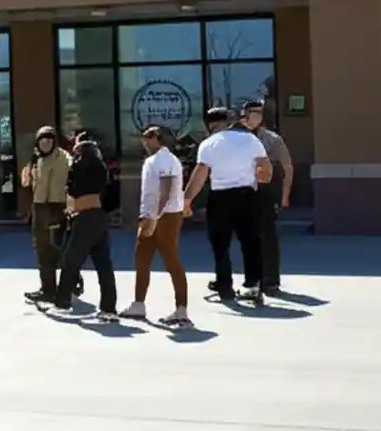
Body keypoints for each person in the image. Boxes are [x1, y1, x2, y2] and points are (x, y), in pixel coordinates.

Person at [183, 108, 272, 301]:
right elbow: (266, 169)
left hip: (221, 197)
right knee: (251, 241)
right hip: (247, 195)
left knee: (220, 244)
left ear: (212, 125)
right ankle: (252, 285)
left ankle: (224, 285)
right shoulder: (250, 140)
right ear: (230, 121)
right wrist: (258, 180)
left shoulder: (208, 144)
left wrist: (187, 200)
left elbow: (200, 175)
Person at [121, 126, 191, 326]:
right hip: (149, 216)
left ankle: (181, 309)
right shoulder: (151, 160)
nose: (144, 142)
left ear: (158, 139)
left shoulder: (166, 160)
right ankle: (138, 304)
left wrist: (155, 218)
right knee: (141, 257)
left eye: (148, 138)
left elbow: (167, 190)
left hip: (166, 216)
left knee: (171, 260)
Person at [52, 130, 118, 320]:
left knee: (70, 260)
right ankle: (108, 308)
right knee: (104, 264)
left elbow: (72, 189)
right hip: (99, 216)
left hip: (84, 216)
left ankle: (63, 302)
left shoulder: (79, 164)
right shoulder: (101, 165)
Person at [239, 100, 294, 293]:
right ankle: (252, 279)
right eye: (248, 113)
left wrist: (285, 195)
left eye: (256, 113)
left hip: (266, 191)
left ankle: (270, 279)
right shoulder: (236, 138)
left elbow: (287, 167)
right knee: (247, 237)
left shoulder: (272, 140)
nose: (251, 117)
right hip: (242, 191)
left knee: (267, 236)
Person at [21, 126, 72, 303]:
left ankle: (70, 282)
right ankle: (47, 289)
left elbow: (71, 180)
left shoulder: (63, 158)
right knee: (42, 250)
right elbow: (26, 183)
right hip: (39, 207)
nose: (45, 145)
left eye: (49, 141)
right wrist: (30, 165)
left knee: (58, 249)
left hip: (57, 207)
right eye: (42, 142)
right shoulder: (37, 160)